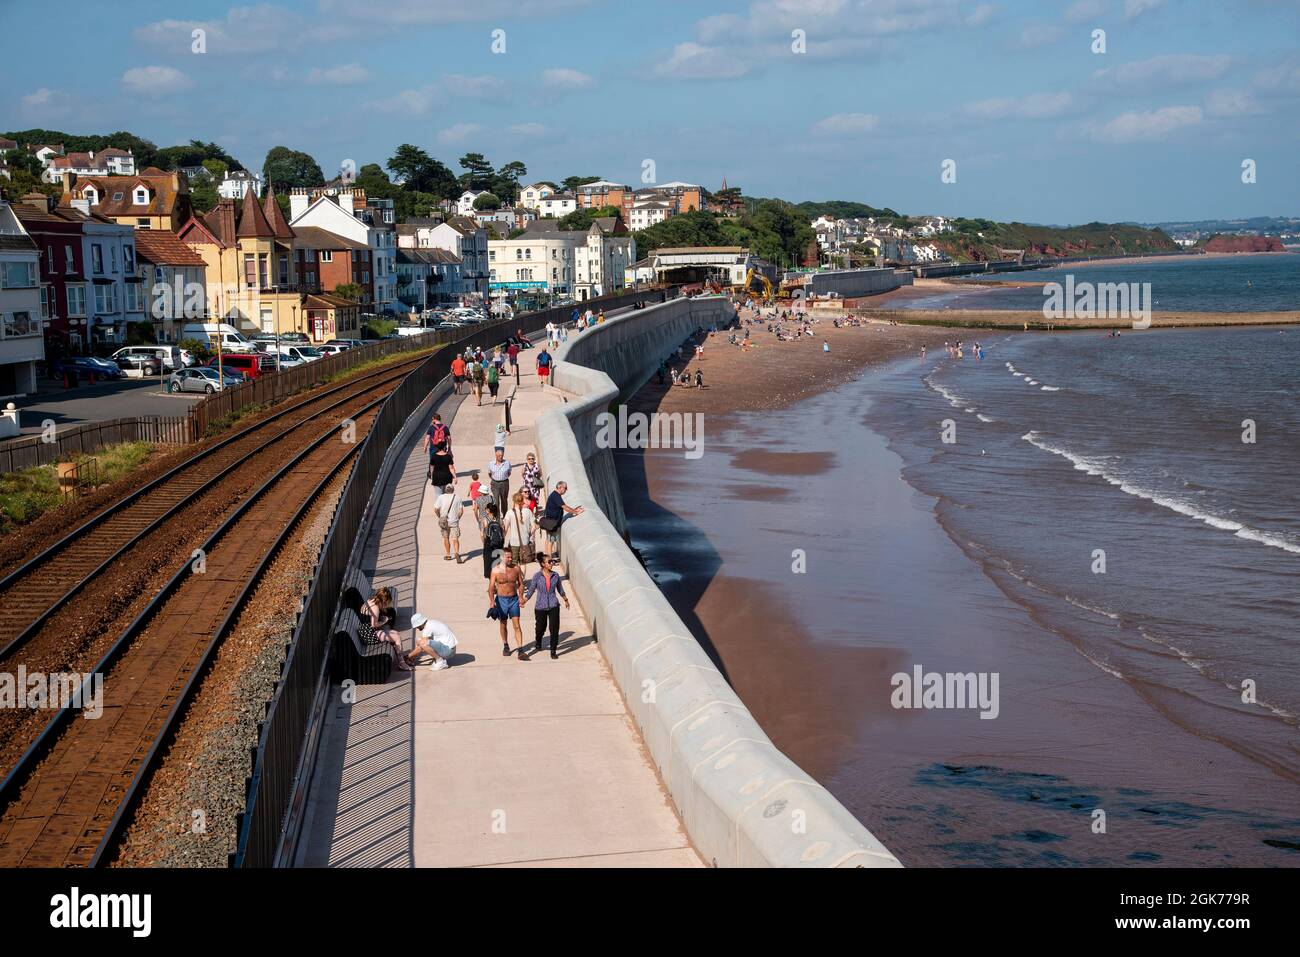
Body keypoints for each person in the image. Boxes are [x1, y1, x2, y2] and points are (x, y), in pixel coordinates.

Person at [522, 553, 570, 659]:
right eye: (549, 562)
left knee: (554, 628)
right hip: (540, 606)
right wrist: (525, 599)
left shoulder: (555, 576)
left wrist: (565, 599)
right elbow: (531, 589)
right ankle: (538, 640)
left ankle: (553, 650)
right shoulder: (537, 576)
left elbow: (560, 589)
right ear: (543, 564)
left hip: (553, 605)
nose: (551, 563)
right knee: (540, 627)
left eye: (552, 561)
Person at [359, 587, 413, 671]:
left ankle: (401, 659)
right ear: (383, 600)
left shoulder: (370, 601)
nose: (386, 604)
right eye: (386, 602)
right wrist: (385, 621)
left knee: (396, 634)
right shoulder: (375, 608)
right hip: (369, 635)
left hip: (364, 630)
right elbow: (374, 625)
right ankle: (402, 663)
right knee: (396, 637)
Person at [489, 547, 528, 660]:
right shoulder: (495, 570)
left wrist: (521, 597)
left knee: (517, 625)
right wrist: (492, 601)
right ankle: (506, 645)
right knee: (503, 623)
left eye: (511, 557)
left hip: (514, 600)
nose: (511, 559)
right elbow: (491, 587)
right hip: (501, 600)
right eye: (508, 557)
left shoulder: (516, 569)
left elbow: (520, 584)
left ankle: (520, 649)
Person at [539, 480, 583, 560]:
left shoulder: (554, 495)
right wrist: (575, 511)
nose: (566, 490)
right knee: (550, 541)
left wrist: (574, 510)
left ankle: (546, 557)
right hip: (552, 522)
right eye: (565, 488)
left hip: (549, 521)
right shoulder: (556, 496)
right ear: (560, 487)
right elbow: (564, 507)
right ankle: (549, 559)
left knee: (548, 540)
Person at [504, 490, 536, 573]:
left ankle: (515, 581)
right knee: (523, 563)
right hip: (525, 542)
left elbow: (506, 529)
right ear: (522, 500)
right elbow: (534, 526)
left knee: (513, 563)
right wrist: (528, 535)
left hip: (514, 542)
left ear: (514, 501)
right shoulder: (528, 511)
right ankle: (522, 581)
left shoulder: (509, 512)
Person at [434, 482, 464, 563]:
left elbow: (436, 509)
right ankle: (457, 553)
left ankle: (448, 555)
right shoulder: (457, 497)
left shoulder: (441, 497)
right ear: (453, 490)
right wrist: (458, 518)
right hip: (454, 521)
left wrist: (440, 517)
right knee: (455, 539)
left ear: (445, 490)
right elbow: (461, 511)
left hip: (444, 522)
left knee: (446, 538)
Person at [486, 447, 512, 519]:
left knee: (504, 500)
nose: (501, 457)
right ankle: (497, 516)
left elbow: (509, 473)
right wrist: (495, 479)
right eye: (499, 456)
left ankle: (505, 515)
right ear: (496, 456)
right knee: (496, 500)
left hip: (504, 483)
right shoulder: (491, 464)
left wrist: (503, 478)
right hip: (495, 484)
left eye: (502, 456)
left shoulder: (507, 463)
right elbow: (489, 474)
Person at [481, 502, 505, 580]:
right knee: (498, 564)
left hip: (489, 544)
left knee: (489, 564)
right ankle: (498, 583)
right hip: (499, 545)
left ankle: (492, 584)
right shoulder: (500, 520)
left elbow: (482, 534)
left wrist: (484, 543)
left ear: (488, 510)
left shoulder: (485, 519)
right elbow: (503, 532)